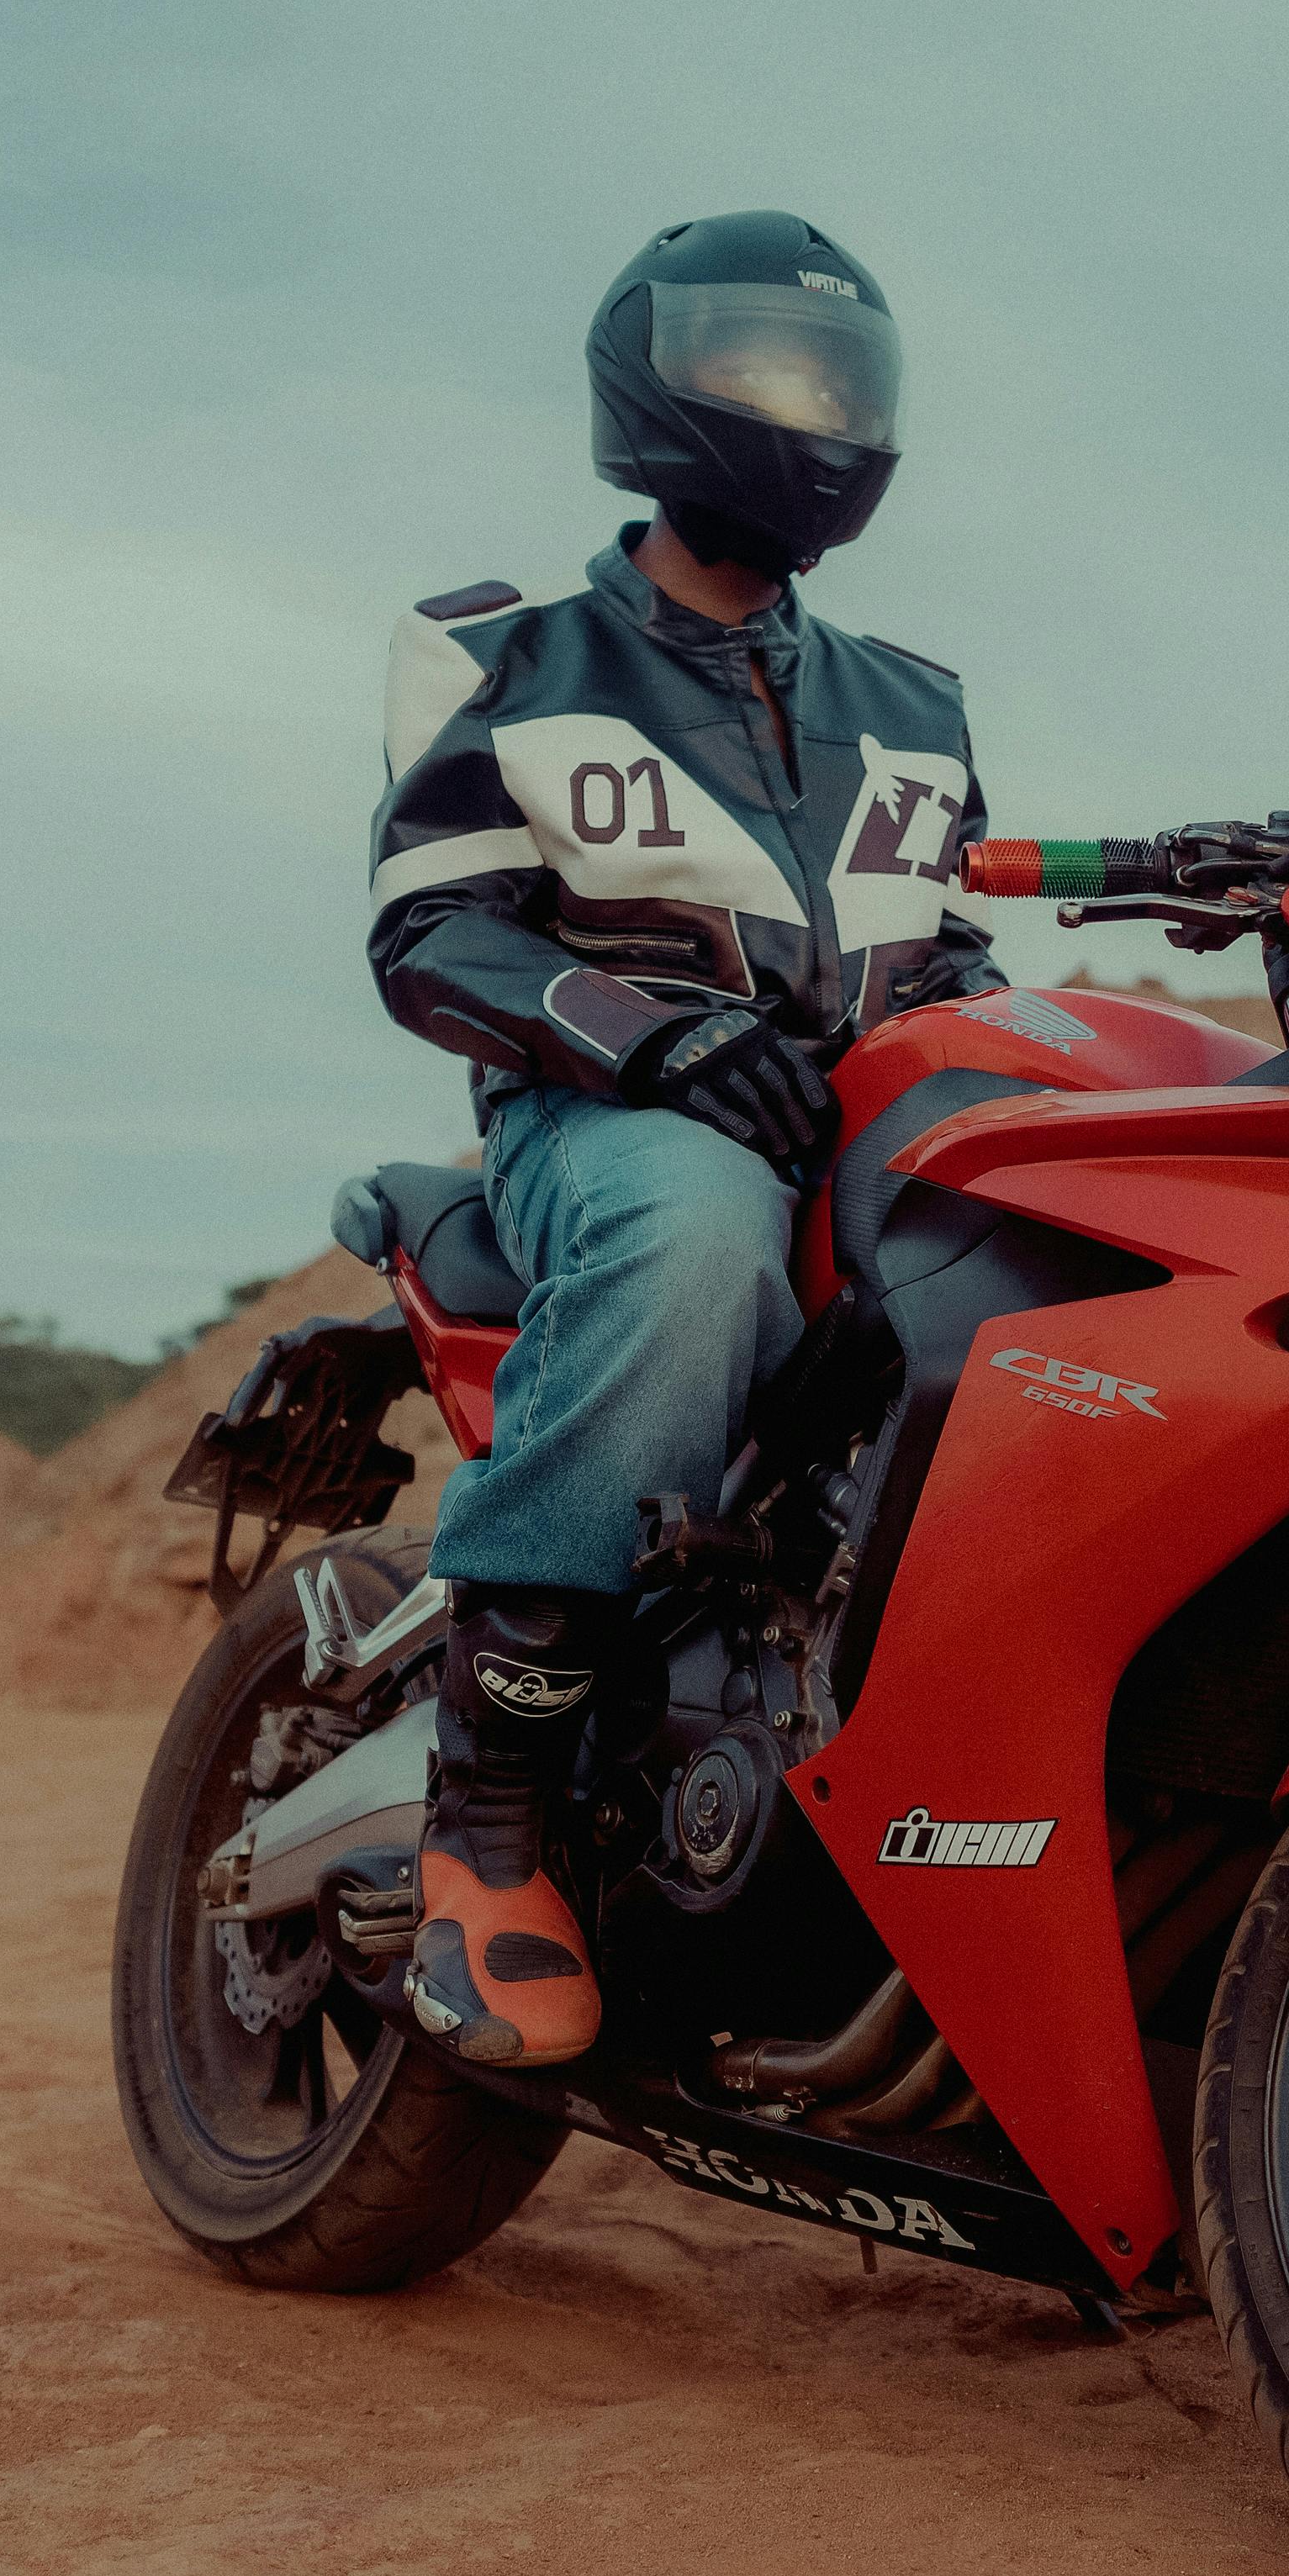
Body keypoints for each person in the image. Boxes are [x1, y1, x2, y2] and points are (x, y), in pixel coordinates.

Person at [366, 211, 1003, 2063]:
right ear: (651, 382)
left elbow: (946, 940)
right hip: (601, 1125)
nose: (808, 414)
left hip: (862, 1120)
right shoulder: (507, 649)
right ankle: (487, 1803)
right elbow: (435, 928)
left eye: (838, 384)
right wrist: (651, 1032)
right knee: (701, 1219)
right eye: (761, 372)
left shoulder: (917, 705)